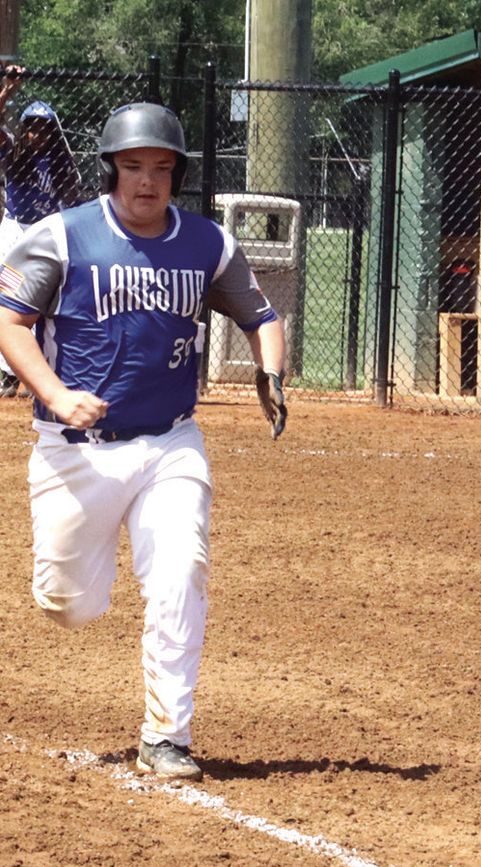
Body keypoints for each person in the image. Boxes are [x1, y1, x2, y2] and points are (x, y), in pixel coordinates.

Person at [0, 103, 288, 782]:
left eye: (161, 169)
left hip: (170, 443)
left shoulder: (206, 244)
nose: (146, 182)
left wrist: (271, 368)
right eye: (133, 167)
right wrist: (54, 393)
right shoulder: (59, 237)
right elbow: (11, 325)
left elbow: (260, 313)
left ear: (177, 176)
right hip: (75, 450)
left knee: (181, 570)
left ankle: (166, 736)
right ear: (110, 171)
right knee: (70, 604)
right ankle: (84, 591)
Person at [0, 69, 86, 395]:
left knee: (49, 301)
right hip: (15, 228)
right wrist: (8, 90)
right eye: (32, 128)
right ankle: (9, 373)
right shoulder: (13, 149)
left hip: (46, 230)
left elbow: (72, 200)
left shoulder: (60, 161)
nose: (38, 135)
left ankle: (44, 367)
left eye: (44, 129)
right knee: (7, 297)